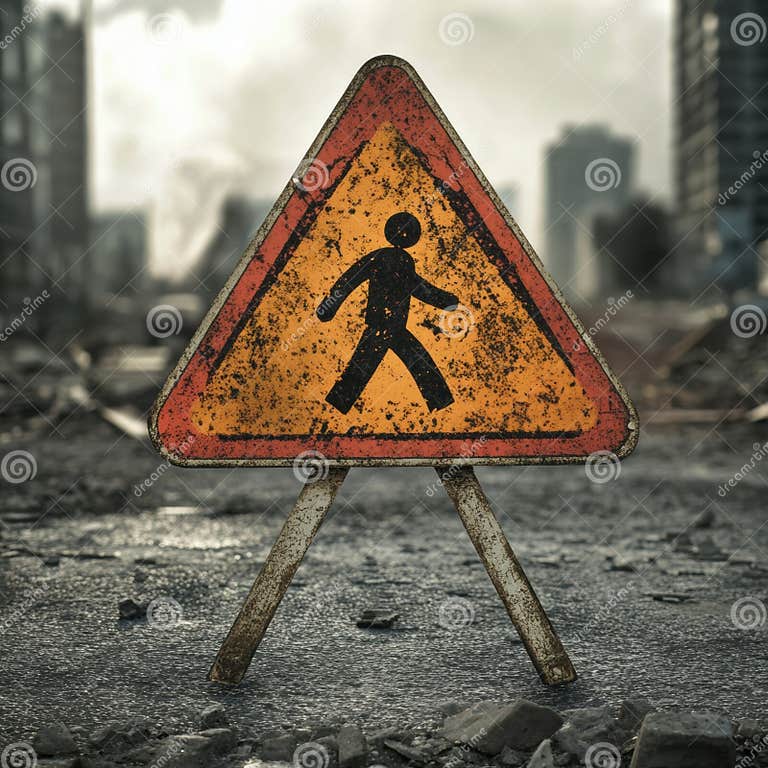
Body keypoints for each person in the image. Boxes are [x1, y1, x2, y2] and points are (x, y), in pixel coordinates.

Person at [317, 211, 458, 414]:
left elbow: (417, 287)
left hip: (390, 325)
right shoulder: (386, 259)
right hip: (384, 325)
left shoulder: (393, 260)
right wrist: (328, 307)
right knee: (368, 368)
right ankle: (334, 409)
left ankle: (442, 404)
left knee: (413, 363)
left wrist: (447, 301)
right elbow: (351, 279)